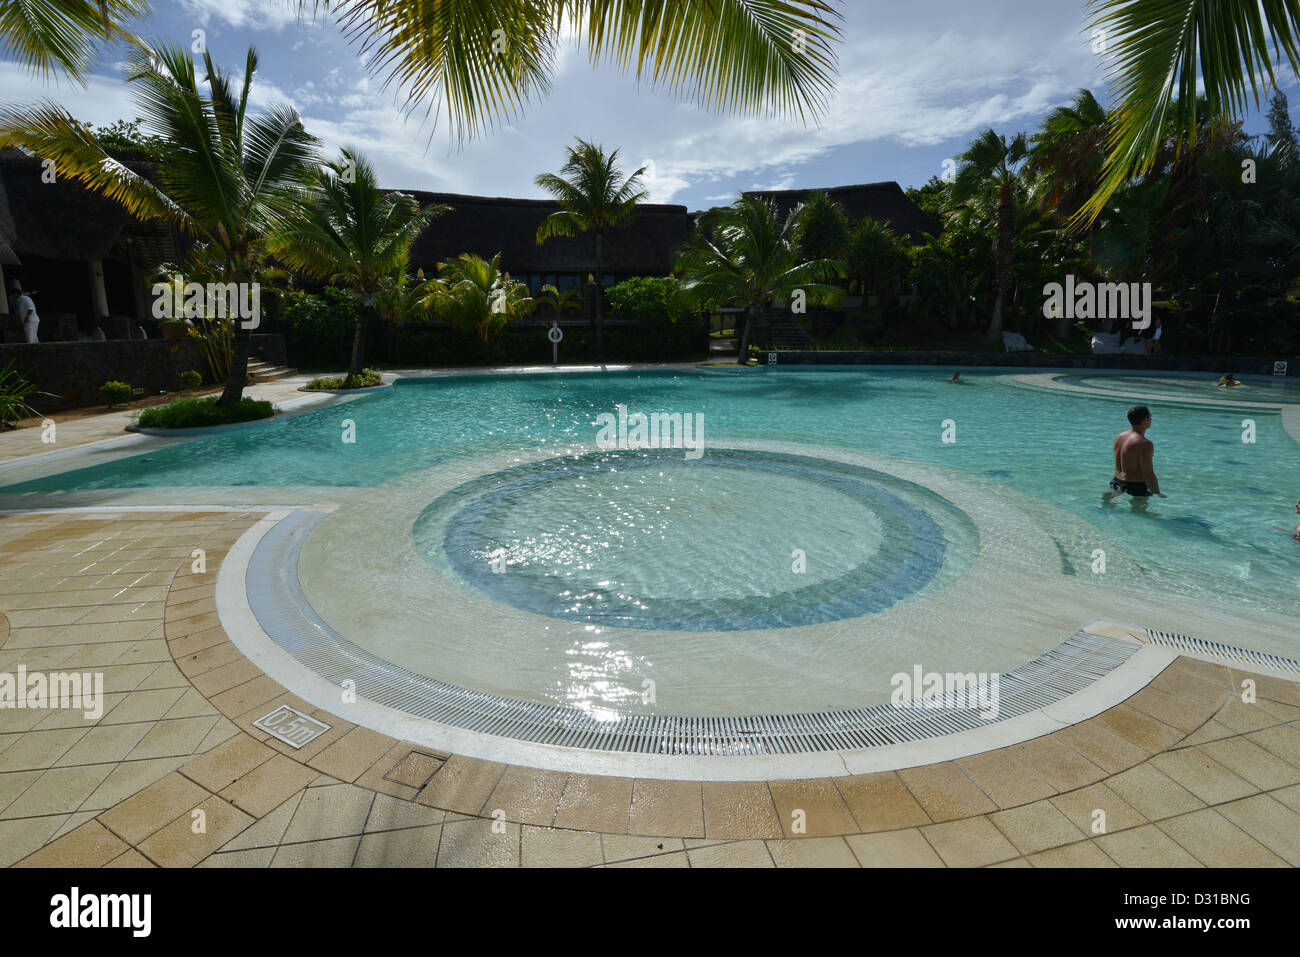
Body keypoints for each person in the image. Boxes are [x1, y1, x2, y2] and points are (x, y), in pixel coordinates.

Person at [1103, 405, 1166, 505]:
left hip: (1117, 481)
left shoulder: (1120, 436)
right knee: (1140, 512)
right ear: (1146, 419)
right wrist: (1157, 492)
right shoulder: (1144, 443)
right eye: (1150, 417)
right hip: (1136, 486)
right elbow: (1148, 473)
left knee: (1112, 498)